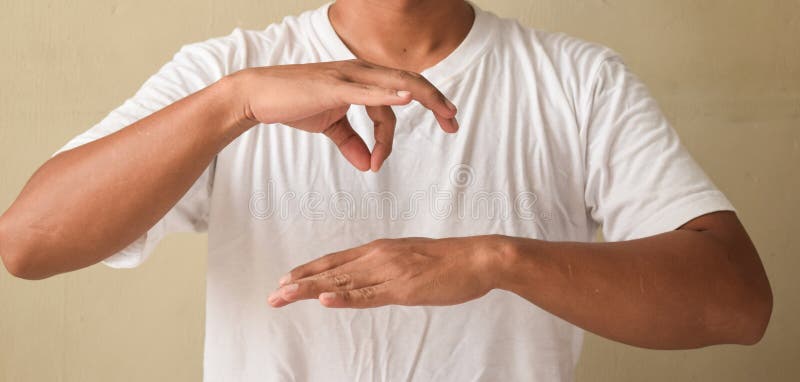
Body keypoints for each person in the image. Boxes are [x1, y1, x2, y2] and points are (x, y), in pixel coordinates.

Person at [0, 0, 772, 380]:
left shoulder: (578, 81)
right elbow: (28, 245)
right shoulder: (229, 72)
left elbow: (737, 304)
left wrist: (498, 259)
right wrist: (230, 105)